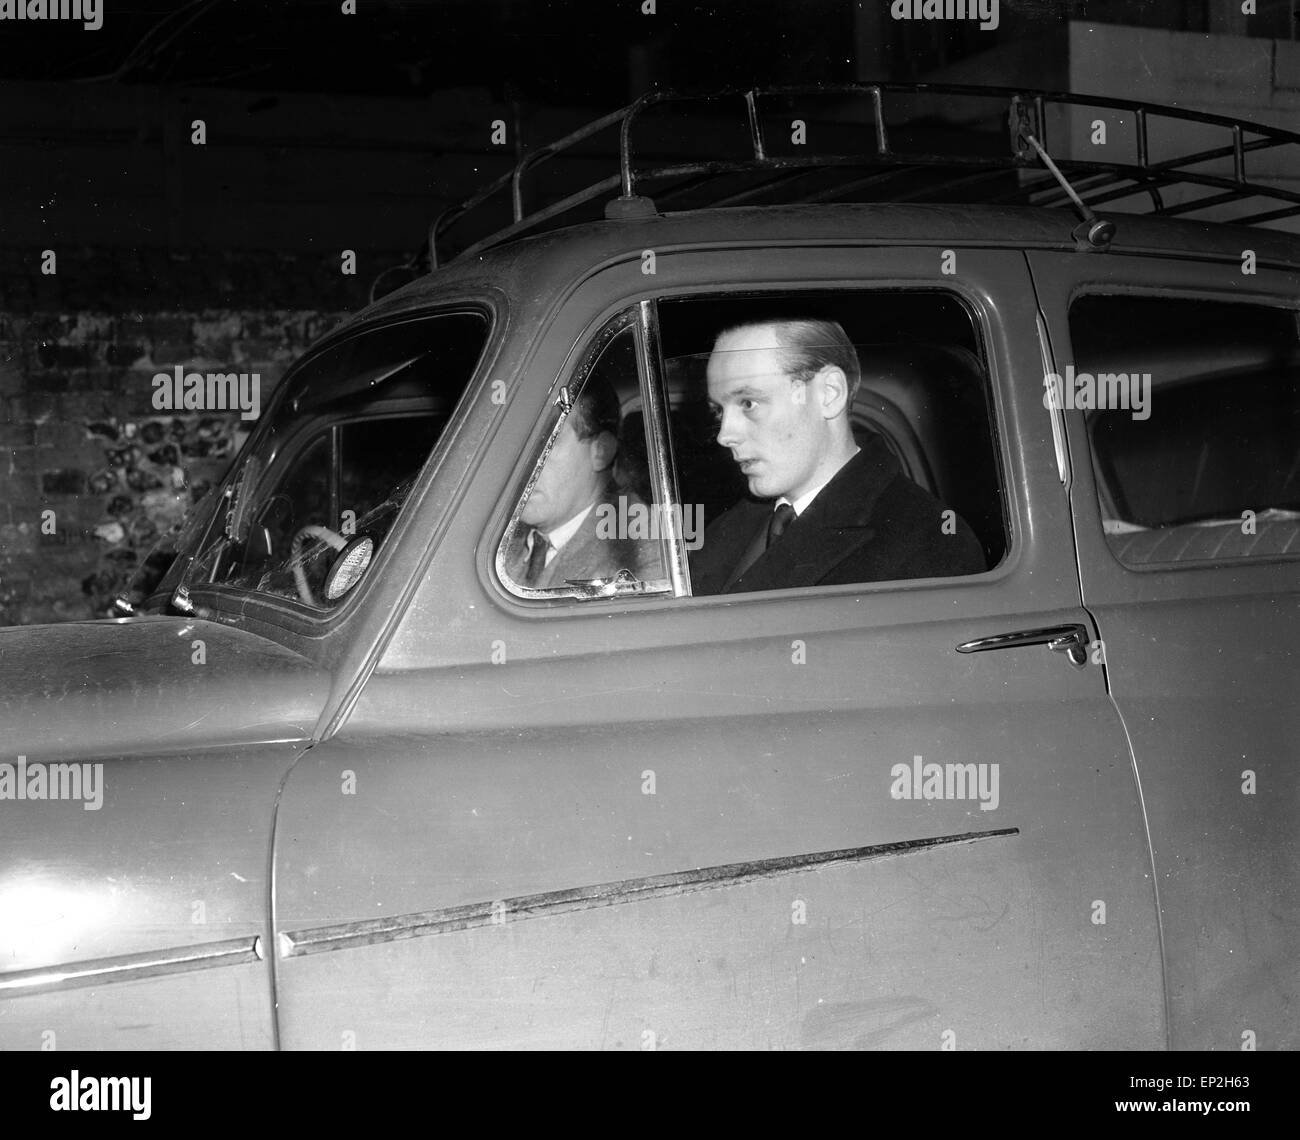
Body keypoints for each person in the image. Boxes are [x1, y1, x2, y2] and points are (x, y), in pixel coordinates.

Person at [690, 318, 986, 594]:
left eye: (749, 403)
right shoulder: (730, 527)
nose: (724, 434)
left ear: (828, 394)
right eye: (719, 410)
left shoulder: (930, 544)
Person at [505, 376, 662, 590]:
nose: (522, 463)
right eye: (516, 444)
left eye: (546, 442)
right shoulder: (501, 542)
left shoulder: (640, 546)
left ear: (601, 451)